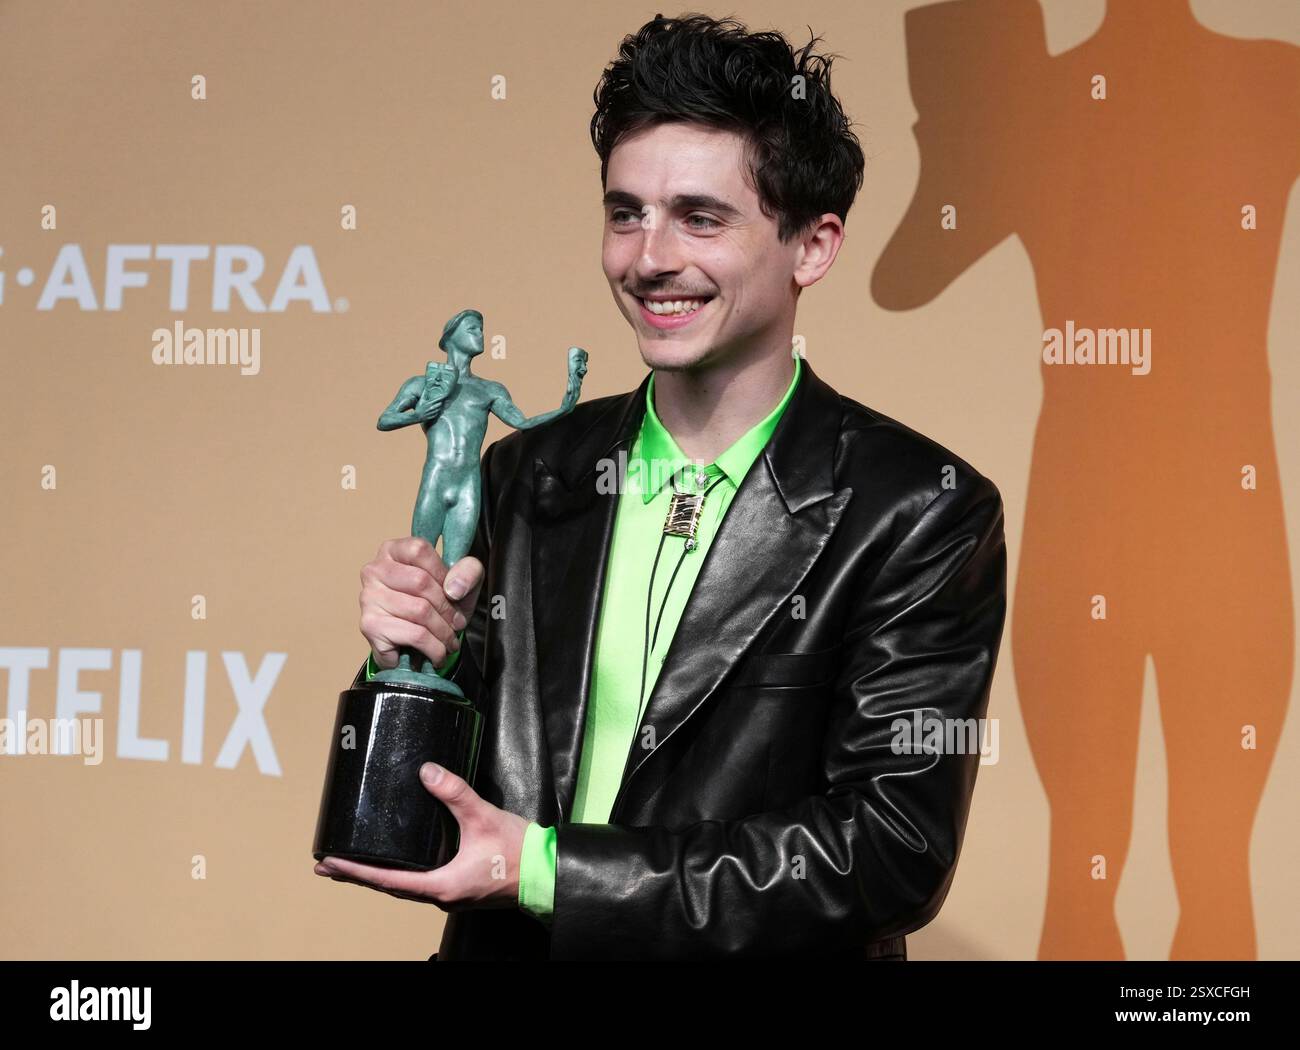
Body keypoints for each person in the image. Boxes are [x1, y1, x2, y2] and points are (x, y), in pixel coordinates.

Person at [314, 12, 1007, 961]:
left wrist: (547, 869)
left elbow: (890, 851)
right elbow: (435, 817)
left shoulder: (919, 511)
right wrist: (408, 662)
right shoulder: (530, 475)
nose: (648, 259)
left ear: (812, 245)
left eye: (701, 217)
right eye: (625, 211)